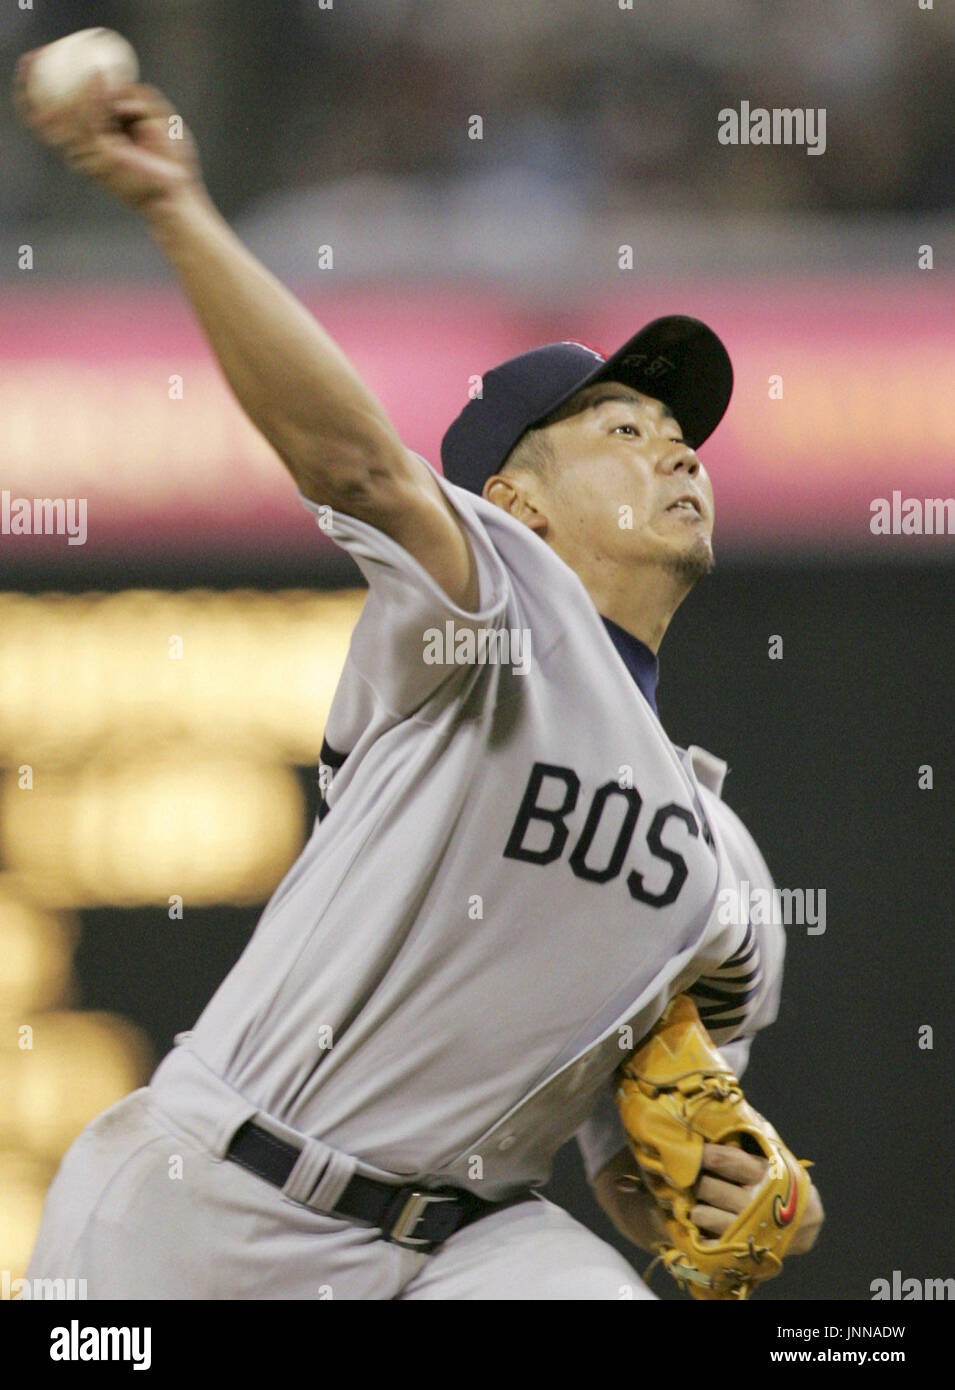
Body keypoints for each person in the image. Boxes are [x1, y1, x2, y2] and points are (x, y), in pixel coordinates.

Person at [17, 64, 823, 1300]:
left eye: (677, 431)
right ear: (513, 503)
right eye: (616, 425)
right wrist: (176, 204)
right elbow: (361, 471)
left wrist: (733, 1185)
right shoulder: (492, 623)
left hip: (462, 1247)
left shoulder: (727, 875)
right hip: (205, 1211)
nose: (671, 444)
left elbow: (639, 1163)